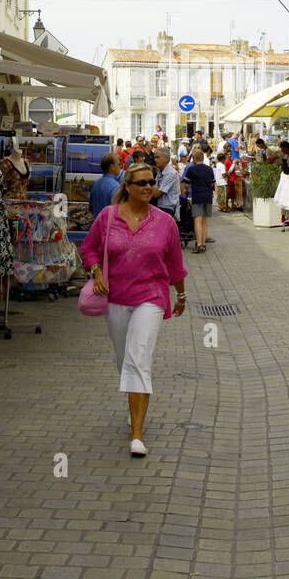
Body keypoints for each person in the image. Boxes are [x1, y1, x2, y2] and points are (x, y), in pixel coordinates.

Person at [80, 161, 187, 458]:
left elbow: (175, 265)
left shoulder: (165, 222)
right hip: (117, 297)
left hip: (151, 297)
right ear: (127, 186)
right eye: (141, 183)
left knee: (139, 357)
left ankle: (136, 434)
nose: (147, 187)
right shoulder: (108, 216)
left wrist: (181, 295)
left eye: (150, 182)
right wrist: (96, 272)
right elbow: (88, 248)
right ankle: (134, 404)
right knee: (123, 359)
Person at [183, 145, 215, 253]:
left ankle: (199, 244)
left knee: (197, 220)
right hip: (208, 196)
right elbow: (212, 183)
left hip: (197, 196)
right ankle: (203, 243)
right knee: (204, 221)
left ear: (194, 159)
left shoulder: (191, 169)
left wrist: (186, 191)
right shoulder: (209, 169)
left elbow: (186, 184)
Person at [150, 146, 180, 219]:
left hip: (168, 209)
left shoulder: (170, 173)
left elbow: (156, 194)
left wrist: (150, 181)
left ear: (167, 158)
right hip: (161, 207)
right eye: (155, 158)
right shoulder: (160, 172)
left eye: (158, 157)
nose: (155, 160)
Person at [89, 152, 122, 217]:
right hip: (109, 225)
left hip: (97, 223)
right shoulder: (115, 187)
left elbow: (91, 208)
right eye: (118, 164)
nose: (120, 167)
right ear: (111, 167)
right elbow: (118, 212)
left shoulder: (96, 183)